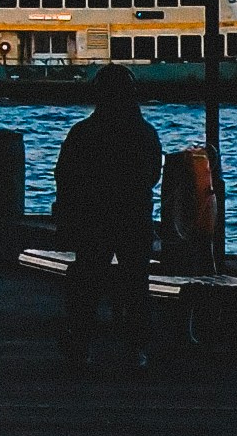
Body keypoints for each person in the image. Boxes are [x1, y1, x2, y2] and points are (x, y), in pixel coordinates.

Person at [56, 65, 162, 369]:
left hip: (93, 218)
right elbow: (152, 175)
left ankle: (81, 344)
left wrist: (69, 213)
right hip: (133, 217)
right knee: (136, 284)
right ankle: (136, 347)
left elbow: (65, 176)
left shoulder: (83, 133)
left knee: (87, 282)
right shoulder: (144, 132)